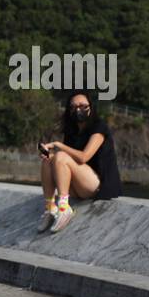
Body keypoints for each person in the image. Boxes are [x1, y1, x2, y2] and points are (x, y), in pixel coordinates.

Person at [37, 91, 123, 232]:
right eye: (74, 107)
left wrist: (59, 145)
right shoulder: (72, 130)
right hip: (77, 186)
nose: (78, 110)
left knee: (60, 156)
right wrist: (50, 155)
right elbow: (65, 160)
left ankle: (64, 208)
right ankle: (50, 208)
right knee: (48, 160)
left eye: (83, 106)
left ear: (91, 107)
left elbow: (84, 157)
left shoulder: (99, 127)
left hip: (96, 185)